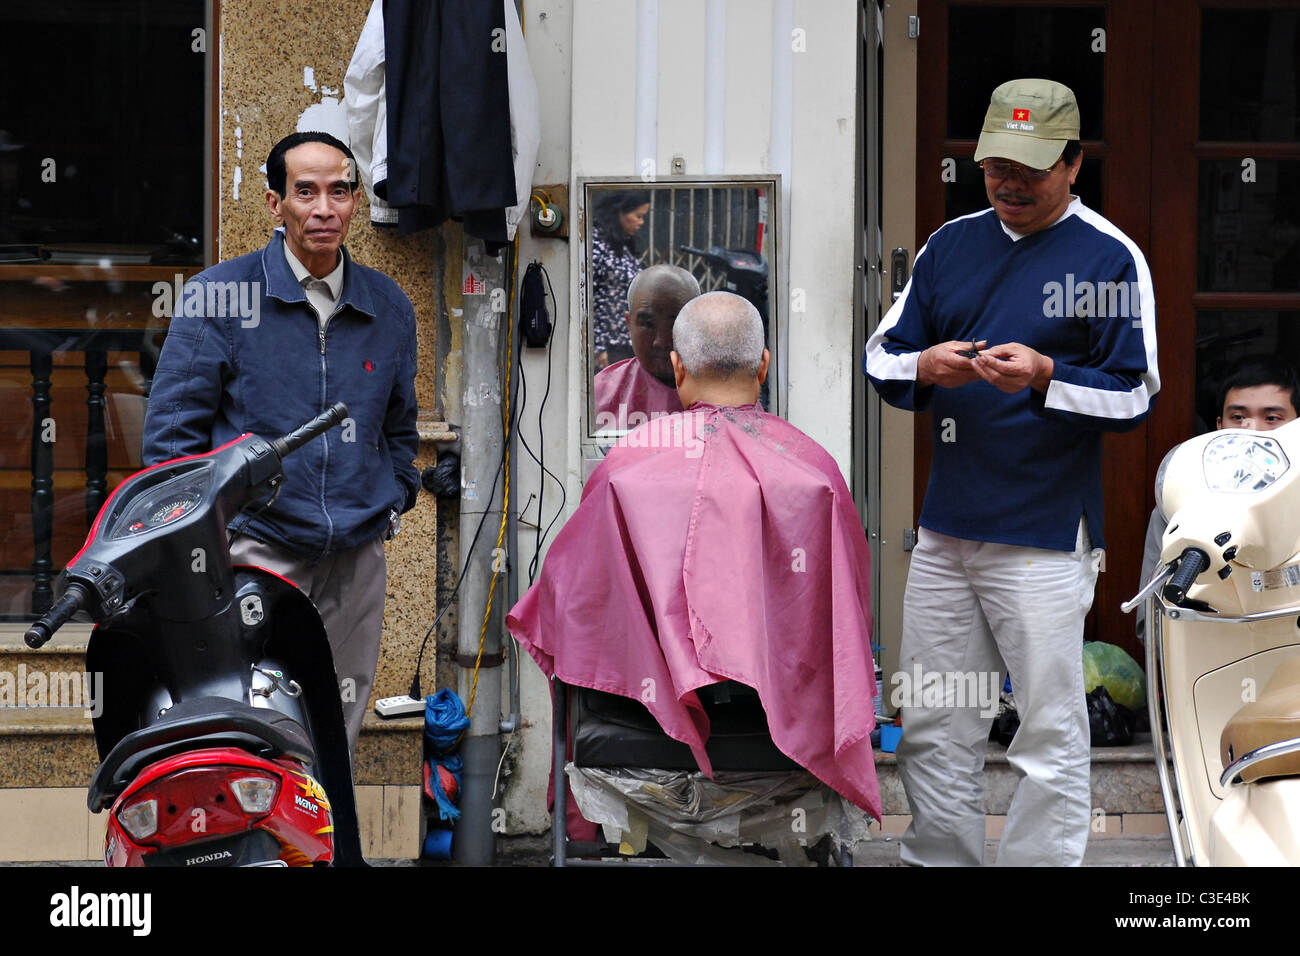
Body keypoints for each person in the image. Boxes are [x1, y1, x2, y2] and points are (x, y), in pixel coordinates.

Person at [864, 78, 1160, 866]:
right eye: (994, 163)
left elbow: (1133, 395)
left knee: (1048, 729)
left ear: (1073, 165)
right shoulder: (950, 244)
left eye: (1029, 167)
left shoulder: (1109, 257)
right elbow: (880, 357)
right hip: (945, 531)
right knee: (931, 720)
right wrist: (926, 364)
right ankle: (940, 860)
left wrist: (1043, 374)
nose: (1008, 182)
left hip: (1044, 537)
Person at [510, 291, 880, 817]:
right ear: (764, 366)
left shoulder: (625, 469)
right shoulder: (813, 472)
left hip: (642, 714)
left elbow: (566, 607)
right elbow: (847, 617)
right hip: (781, 716)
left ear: (678, 367)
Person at [141, 130, 420, 755]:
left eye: (340, 191)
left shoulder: (388, 306)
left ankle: (323, 851)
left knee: (336, 729)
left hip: (356, 556)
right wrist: (200, 545)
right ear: (275, 204)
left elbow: (400, 428)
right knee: (252, 724)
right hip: (253, 551)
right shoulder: (220, 297)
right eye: (306, 192)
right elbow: (172, 442)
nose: (324, 208)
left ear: (354, 202)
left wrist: (392, 499)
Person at [1138, 358, 1300, 641]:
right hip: (1209, 659)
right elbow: (1151, 619)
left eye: (1272, 418)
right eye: (1238, 417)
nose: (1252, 431)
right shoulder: (1181, 505)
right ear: (1218, 427)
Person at [592, 263, 699, 429]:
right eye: (647, 325)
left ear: (697, 325)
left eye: (674, 325)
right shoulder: (600, 394)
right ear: (629, 323)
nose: (661, 341)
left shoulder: (721, 393)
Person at [590, 190, 651, 370]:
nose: (641, 222)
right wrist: (597, 347)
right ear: (619, 212)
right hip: (606, 347)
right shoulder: (596, 244)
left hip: (626, 342)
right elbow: (585, 299)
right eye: (637, 216)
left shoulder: (621, 245)